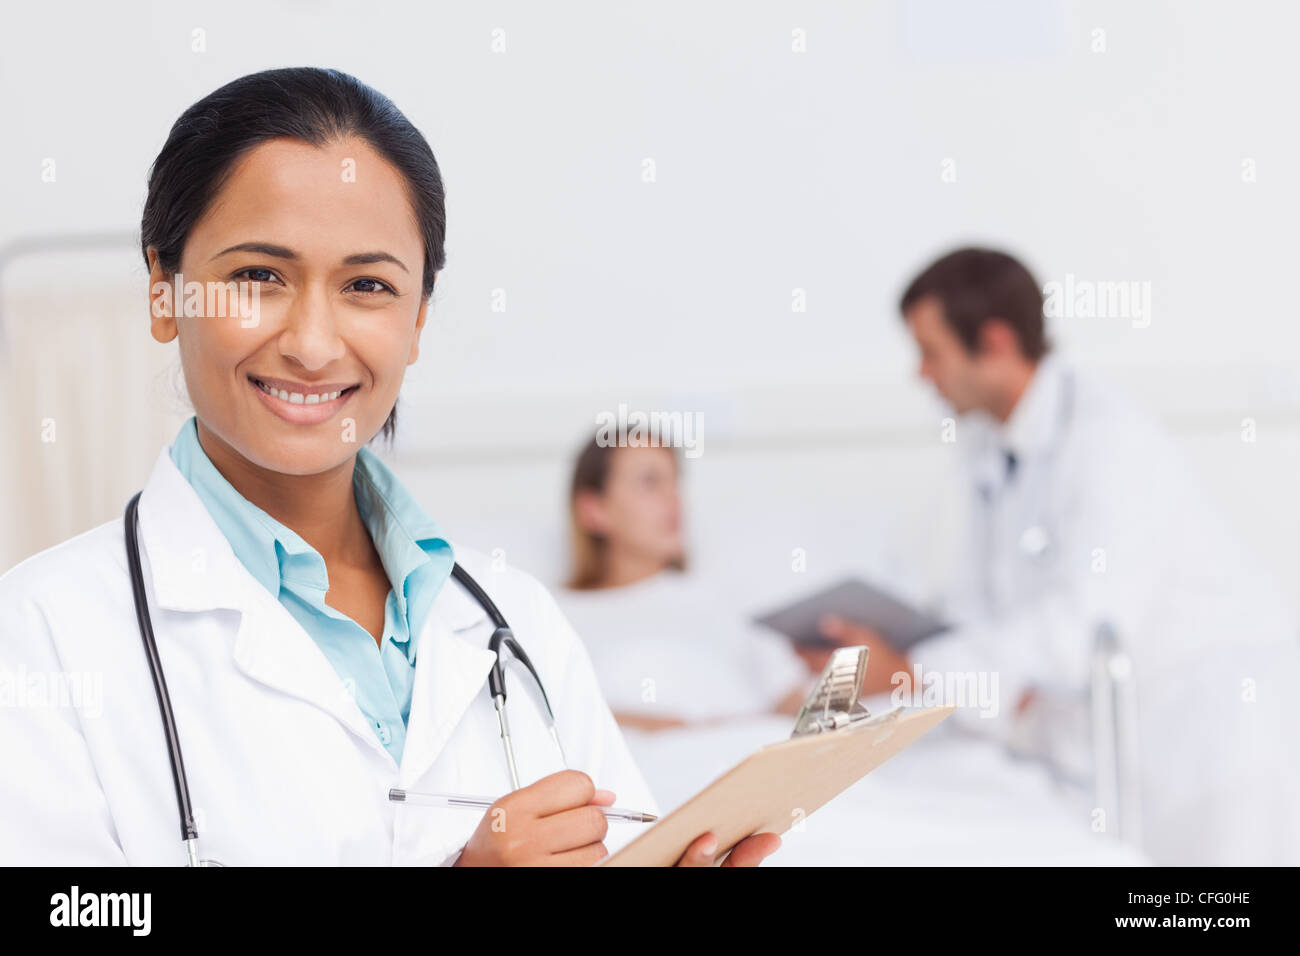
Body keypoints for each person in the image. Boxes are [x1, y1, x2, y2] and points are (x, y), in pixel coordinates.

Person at [0, 68, 781, 868]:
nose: (311, 342)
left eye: (367, 285)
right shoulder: (43, 633)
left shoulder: (516, 619)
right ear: (164, 292)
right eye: (258, 277)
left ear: (416, 323)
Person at [817, 246, 1300, 864]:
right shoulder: (987, 447)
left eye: (930, 353)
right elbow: (978, 606)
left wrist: (915, 675)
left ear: (993, 341)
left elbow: (1084, 628)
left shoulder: (1107, 440)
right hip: (1101, 752)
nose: (921, 374)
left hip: (1212, 744)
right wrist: (895, 652)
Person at [559, 436, 812, 731]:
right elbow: (554, 715)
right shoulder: (555, 614)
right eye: (650, 482)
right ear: (594, 510)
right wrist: (683, 731)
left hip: (759, 754)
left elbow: (793, 701)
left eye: (675, 481)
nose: (674, 499)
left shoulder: (719, 600)